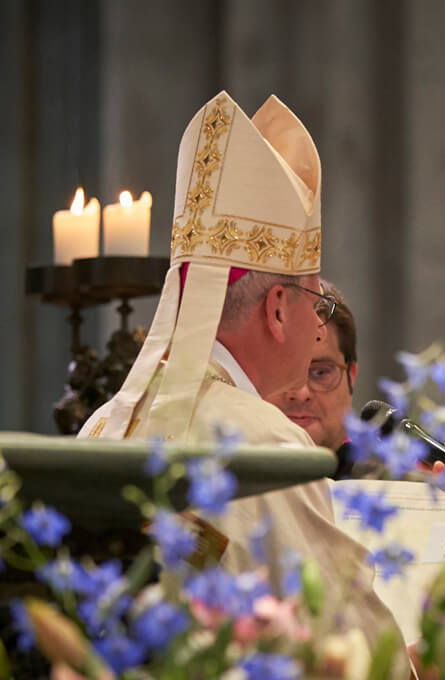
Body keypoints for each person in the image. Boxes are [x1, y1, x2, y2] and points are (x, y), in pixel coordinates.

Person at [79, 91, 408, 677]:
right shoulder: (266, 445)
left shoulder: (103, 423)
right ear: (278, 309)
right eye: (314, 303)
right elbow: (345, 640)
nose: (316, 326)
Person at [267, 280, 373, 476]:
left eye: (321, 372)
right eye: (284, 371)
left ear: (351, 375)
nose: (300, 394)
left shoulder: (404, 484)